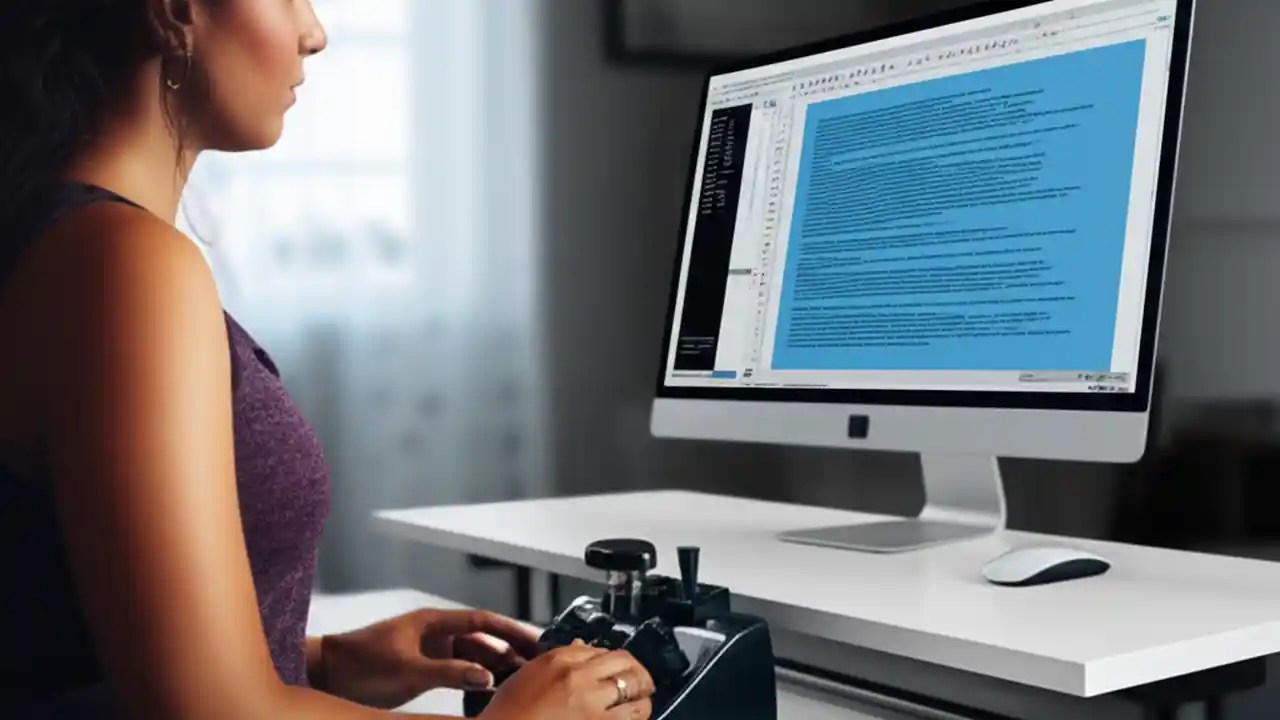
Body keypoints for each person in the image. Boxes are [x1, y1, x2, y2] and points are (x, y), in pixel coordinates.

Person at [0, 1, 655, 718]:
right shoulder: (125, 266)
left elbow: (73, 641)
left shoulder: (61, 242)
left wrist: (329, 660)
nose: (314, 32)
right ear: (175, 11)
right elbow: (208, 712)